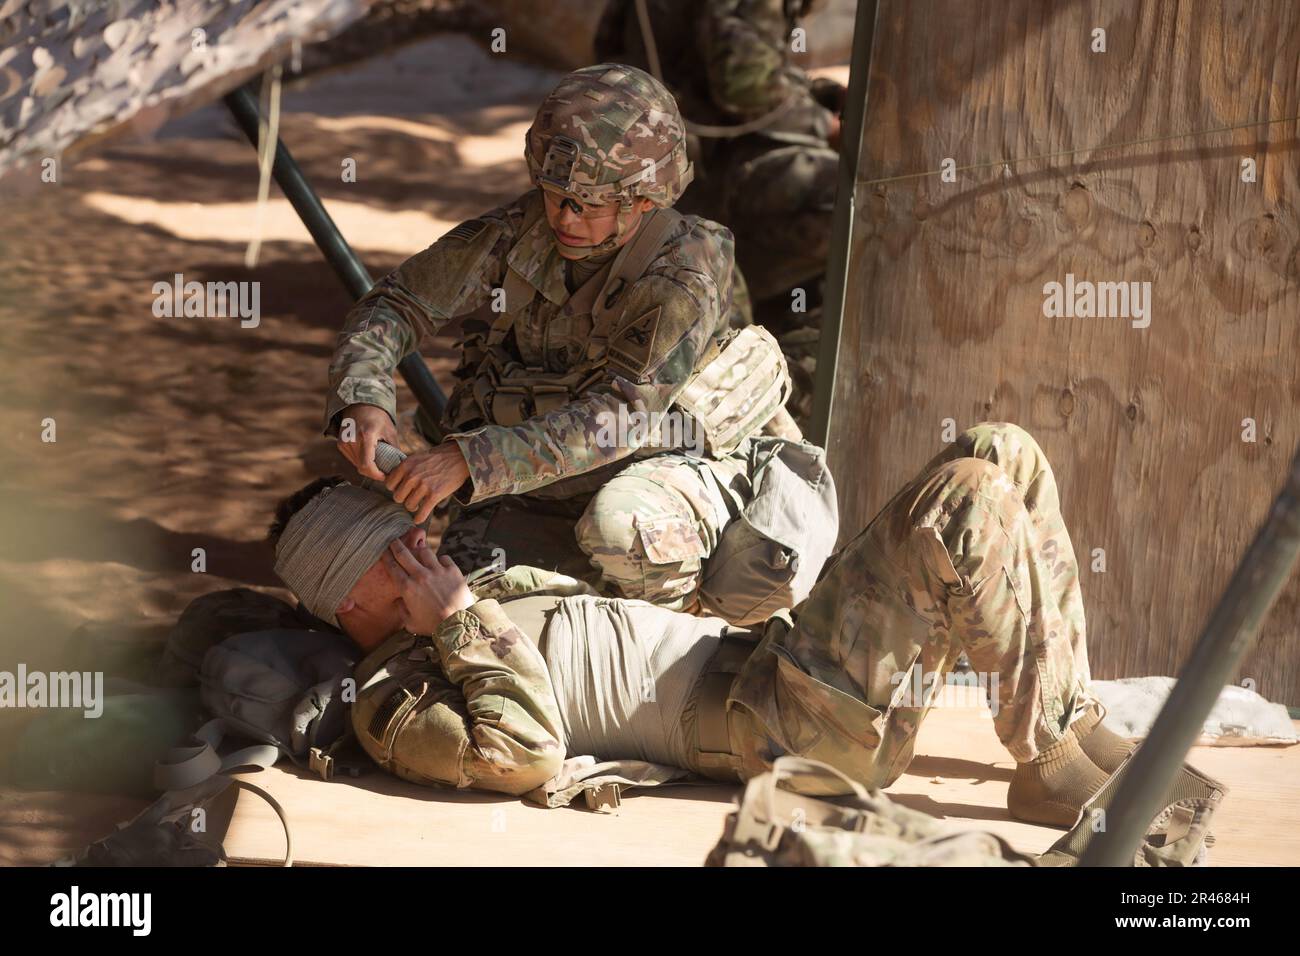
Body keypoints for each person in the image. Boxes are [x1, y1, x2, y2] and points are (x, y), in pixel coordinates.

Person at [268, 421, 1174, 827]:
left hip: (785, 666)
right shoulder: (394, 697)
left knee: (998, 448)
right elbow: (524, 756)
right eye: (396, 550)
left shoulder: (487, 589)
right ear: (350, 598)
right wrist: (460, 624)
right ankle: (1050, 765)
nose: (422, 543)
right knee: (964, 500)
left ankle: (1069, 722)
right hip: (786, 728)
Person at [325, 63, 798, 613]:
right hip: (534, 483)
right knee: (468, 617)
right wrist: (362, 396)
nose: (564, 218)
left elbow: (623, 417)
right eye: (553, 194)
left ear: (644, 199)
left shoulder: (685, 268)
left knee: (618, 542)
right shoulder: (524, 228)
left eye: (588, 204)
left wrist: (469, 461)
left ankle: (695, 629)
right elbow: (399, 302)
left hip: (658, 485)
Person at [596, 0, 845, 423]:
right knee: (863, 207)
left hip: (668, 178)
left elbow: (609, 49)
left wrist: (815, 94)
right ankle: (790, 381)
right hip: (717, 180)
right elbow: (743, 83)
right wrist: (828, 125)